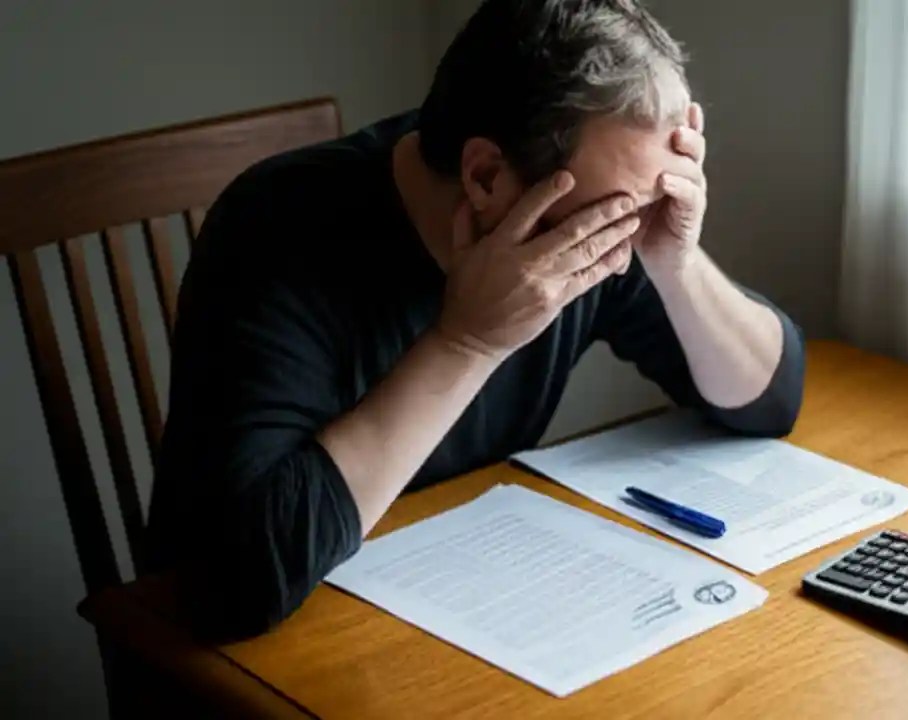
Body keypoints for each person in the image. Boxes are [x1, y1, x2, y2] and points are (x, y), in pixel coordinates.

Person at [147, 0, 805, 640]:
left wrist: (676, 265)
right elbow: (234, 582)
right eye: (616, 216)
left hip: (458, 608)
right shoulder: (275, 229)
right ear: (486, 177)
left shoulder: (602, 210)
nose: (626, 237)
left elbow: (766, 401)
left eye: (652, 202)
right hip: (252, 649)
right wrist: (468, 342)